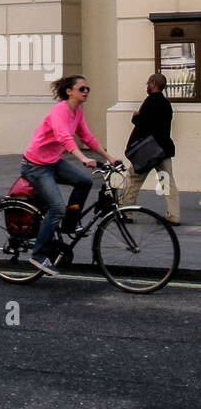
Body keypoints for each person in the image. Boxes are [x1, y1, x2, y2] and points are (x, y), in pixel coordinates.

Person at [19, 75, 115, 277]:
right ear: (69, 91)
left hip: (52, 162)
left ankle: (70, 224)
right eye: (82, 89)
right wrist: (82, 158)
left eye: (88, 89)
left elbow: (87, 137)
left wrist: (109, 157)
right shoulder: (60, 111)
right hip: (35, 166)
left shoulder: (77, 111)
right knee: (56, 208)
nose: (86, 92)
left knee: (84, 181)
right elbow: (64, 137)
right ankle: (38, 255)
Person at [120, 72, 180, 225]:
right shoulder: (166, 104)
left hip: (148, 151)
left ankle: (126, 213)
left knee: (133, 179)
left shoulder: (150, 102)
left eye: (148, 83)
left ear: (153, 84)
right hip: (164, 149)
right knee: (168, 182)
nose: (147, 86)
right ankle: (174, 215)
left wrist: (135, 117)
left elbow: (144, 124)